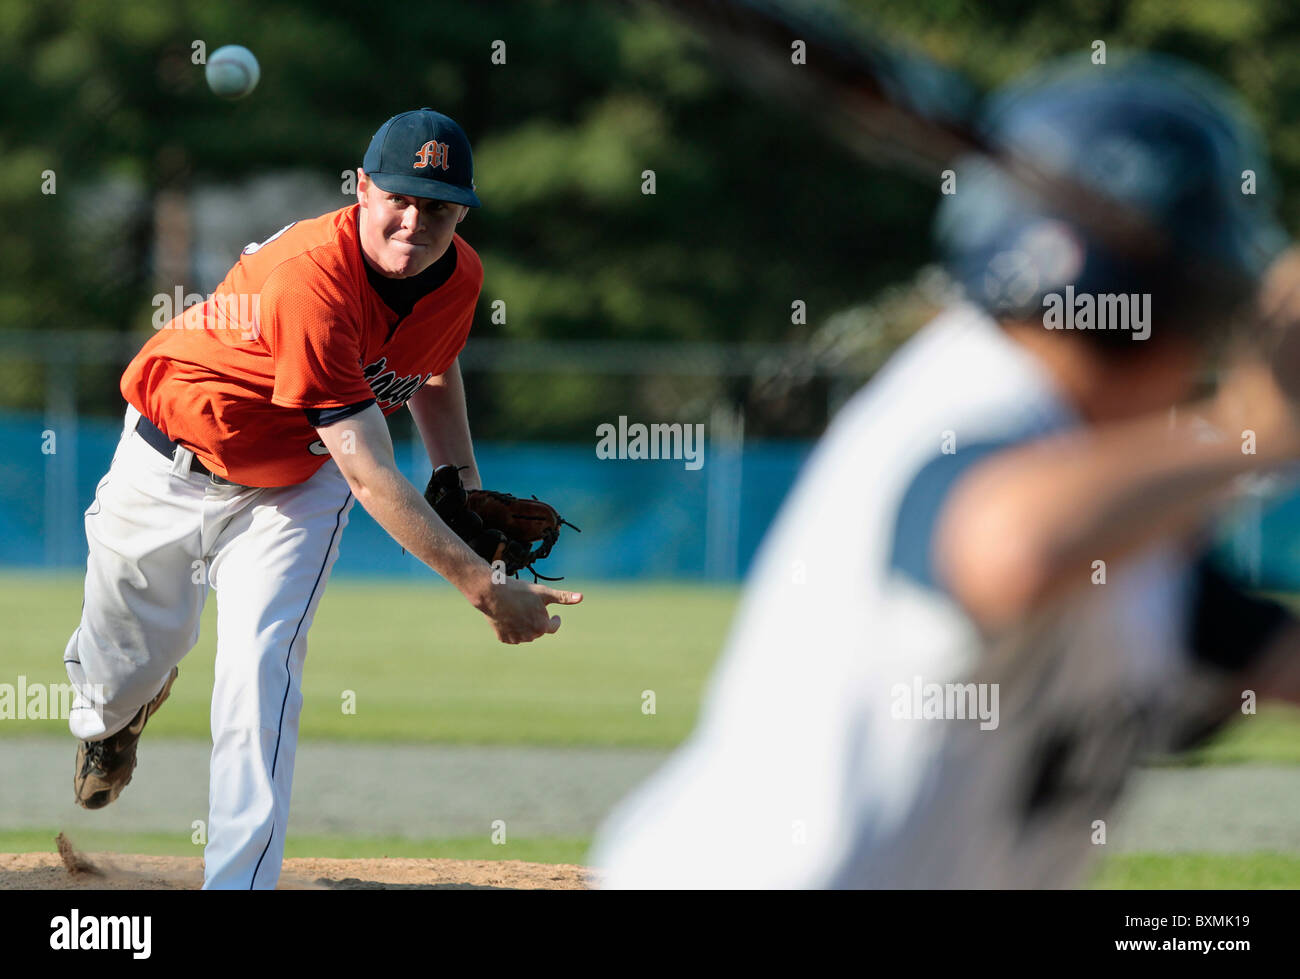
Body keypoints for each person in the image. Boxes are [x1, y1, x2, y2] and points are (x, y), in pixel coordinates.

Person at [591, 54, 1300, 888]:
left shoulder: (1116, 509)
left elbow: (1253, 652)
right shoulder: (974, 397)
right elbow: (1009, 546)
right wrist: (1250, 433)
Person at [63, 107, 582, 890]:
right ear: (363, 189)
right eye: (399, 199)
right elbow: (373, 472)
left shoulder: (460, 276)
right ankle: (117, 718)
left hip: (297, 487)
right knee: (118, 674)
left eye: (437, 206)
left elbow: (433, 367)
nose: (415, 221)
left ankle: (239, 881)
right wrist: (484, 583)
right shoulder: (313, 276)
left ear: (462, 211)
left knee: (261, 663)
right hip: (166, 464)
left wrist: (462, 484)